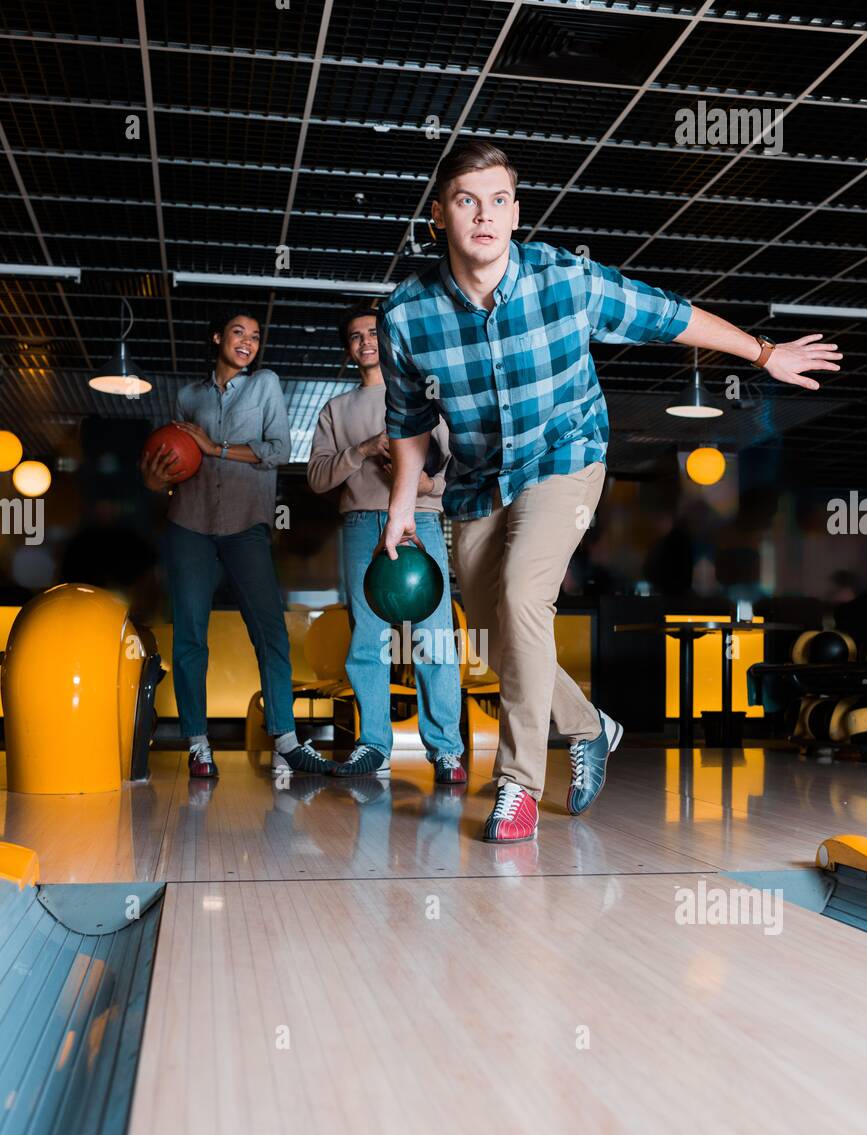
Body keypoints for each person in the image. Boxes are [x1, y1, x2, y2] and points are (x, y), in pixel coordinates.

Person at [376, 139, 842, 842]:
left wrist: (764, 353)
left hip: (566, 457)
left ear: (515, 212)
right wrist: (402, 505)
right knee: (499, 641)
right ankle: (589, 727)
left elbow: (671, 315)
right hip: (475, 483)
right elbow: (408, 422)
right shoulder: (404, 316)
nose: (484, 216)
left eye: (498, 200)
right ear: (438, 214)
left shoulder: (566, 280)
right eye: (466, 201)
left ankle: (516, 787)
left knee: (520, 598)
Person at [140, 309, 330, 780]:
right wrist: (151, 480)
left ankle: (285, 739)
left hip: (246, 525)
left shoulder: (265, 384)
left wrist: (215, 447)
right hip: (189, 523)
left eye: (256, 336)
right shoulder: (187, 397)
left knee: (270, 632)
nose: (248, 341)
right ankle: (198, 744)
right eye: (238, 332)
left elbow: (278, 451)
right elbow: (173, 464)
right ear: (218, 337)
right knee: (189, 637)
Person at [308, 305, 465, 784]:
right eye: (355, 337)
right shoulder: (336, 410)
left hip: (421, 523)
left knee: (434, 637)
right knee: (369, 640)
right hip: (360, 526)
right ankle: (374, 745)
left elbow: (453, 472)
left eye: (373, 334)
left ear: (389, 340)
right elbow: (316, 478)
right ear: (348, 349)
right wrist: (361, 449)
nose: (366, 342)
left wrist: (422, 489)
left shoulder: (424, 400)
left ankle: (446, 751)